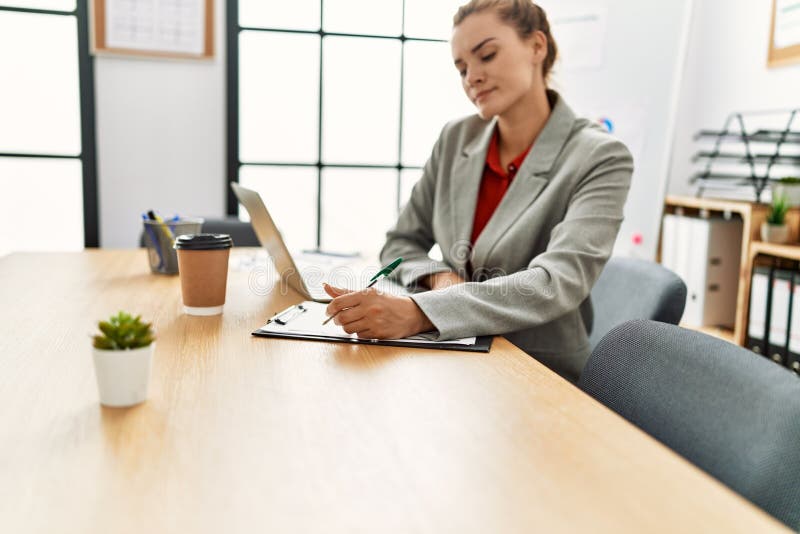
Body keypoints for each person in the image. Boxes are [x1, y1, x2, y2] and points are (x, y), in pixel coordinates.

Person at [323, 0, 633, 382]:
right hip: (452, 359)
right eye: (462, 67)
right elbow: (401, 242)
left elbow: (556, 282)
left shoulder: (599, 156)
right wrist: (439, 279)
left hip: (537, 371)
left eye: (486, 55)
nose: (472, 76)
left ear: (537, 47)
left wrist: (422, 311)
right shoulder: (457, 138)